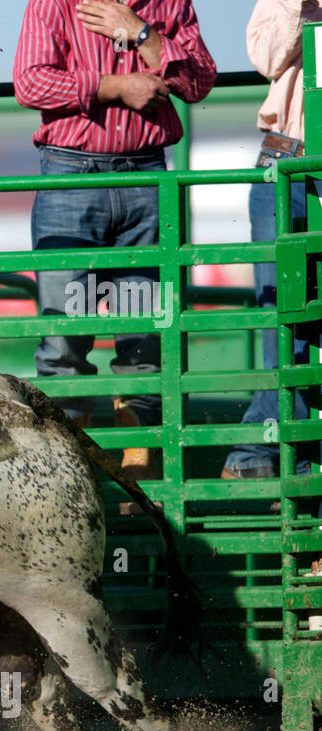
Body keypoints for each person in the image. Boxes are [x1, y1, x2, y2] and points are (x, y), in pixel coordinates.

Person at [13, 0, 215, 479]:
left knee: (142, 337)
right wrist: (114, 86)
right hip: (72, 175)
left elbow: (200, 81)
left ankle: (137, 476)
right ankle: (69, 475)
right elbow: (30, 82)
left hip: (143, 175)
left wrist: (142, 35)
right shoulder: (54, 3)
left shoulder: (168, 5)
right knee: (64, 340)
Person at [222, 0, 321, 481]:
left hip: (293, 150)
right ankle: (275, 443)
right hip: (285, 147)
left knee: (295, 306)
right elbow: (264, 56)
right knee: (278, 303)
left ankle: (265, 446)